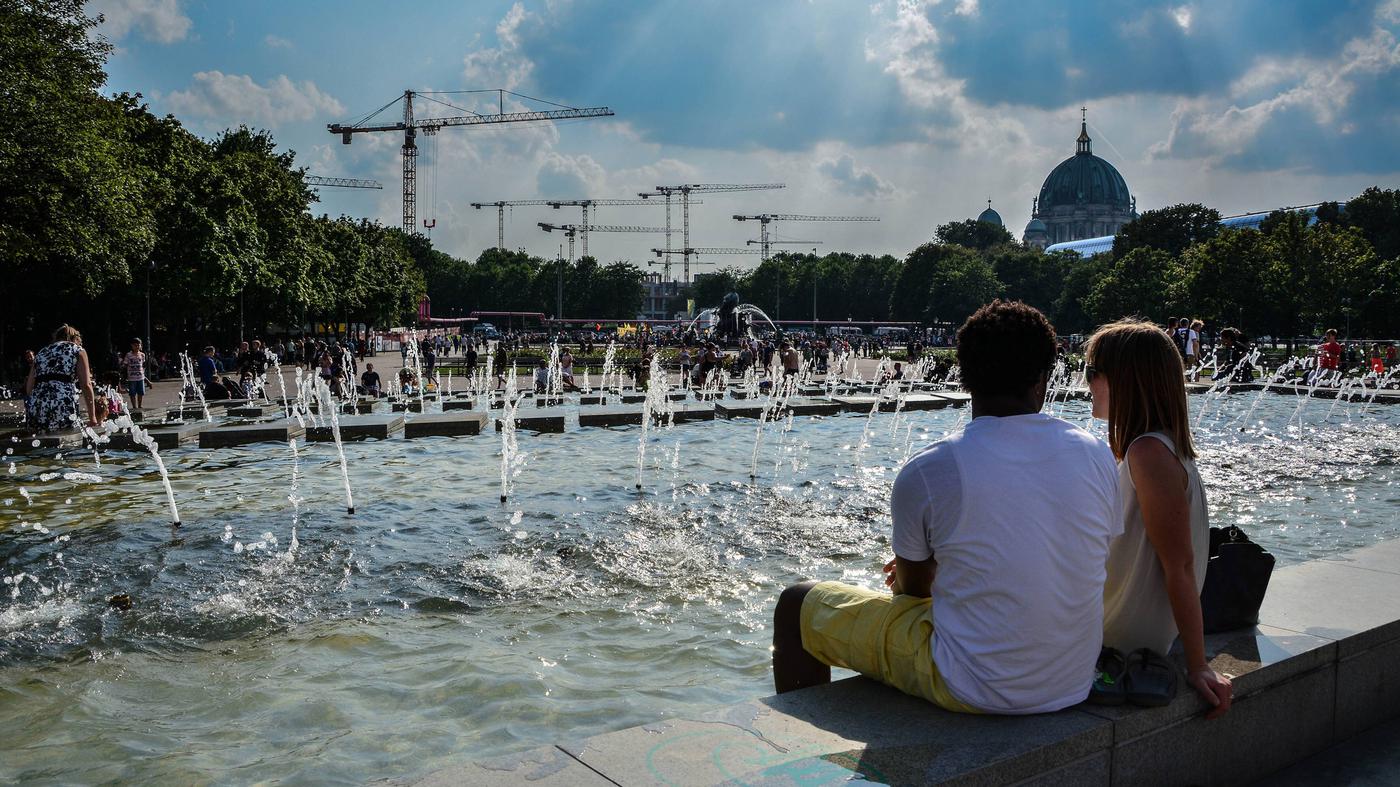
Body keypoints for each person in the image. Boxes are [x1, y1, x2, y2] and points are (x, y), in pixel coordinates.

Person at [773, 301, 1121, 714]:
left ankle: (793, 747)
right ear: (1043, 379)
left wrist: (933, 568)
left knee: (796, 604)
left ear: (965, 375)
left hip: (973, 685)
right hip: (1072, 679)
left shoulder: (929, 470)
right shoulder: (1097, 454)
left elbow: (913, 591)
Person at [1087, 319, 1233, 719]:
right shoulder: (1158, 446)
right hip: (1123, 626)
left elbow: (1179, 565)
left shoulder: (1148, 453)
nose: (1085, 384)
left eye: (1091, 372)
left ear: (1123, 379)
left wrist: (1199, 663)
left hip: (1121, 638)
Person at [26, 325, 98, 433]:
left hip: (37, 405)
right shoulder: (77, 350)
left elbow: (29, 388)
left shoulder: (42, 352)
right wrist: (92, 417)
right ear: (76, 339)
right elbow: (86, 384)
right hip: (63, 402)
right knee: (67, 444)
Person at [122, 338, 147, 410]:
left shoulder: (142, 355)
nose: (137, 347)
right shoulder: (128, 355)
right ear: (132, 346)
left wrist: (144, 376)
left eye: (138, 345)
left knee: (141, 392)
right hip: (131, 377)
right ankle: (134, 406)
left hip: (140, 377)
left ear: (140, 345)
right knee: (132, 393)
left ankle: (139, 405)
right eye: (135, 345)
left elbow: (143, 365)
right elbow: (125, 364)